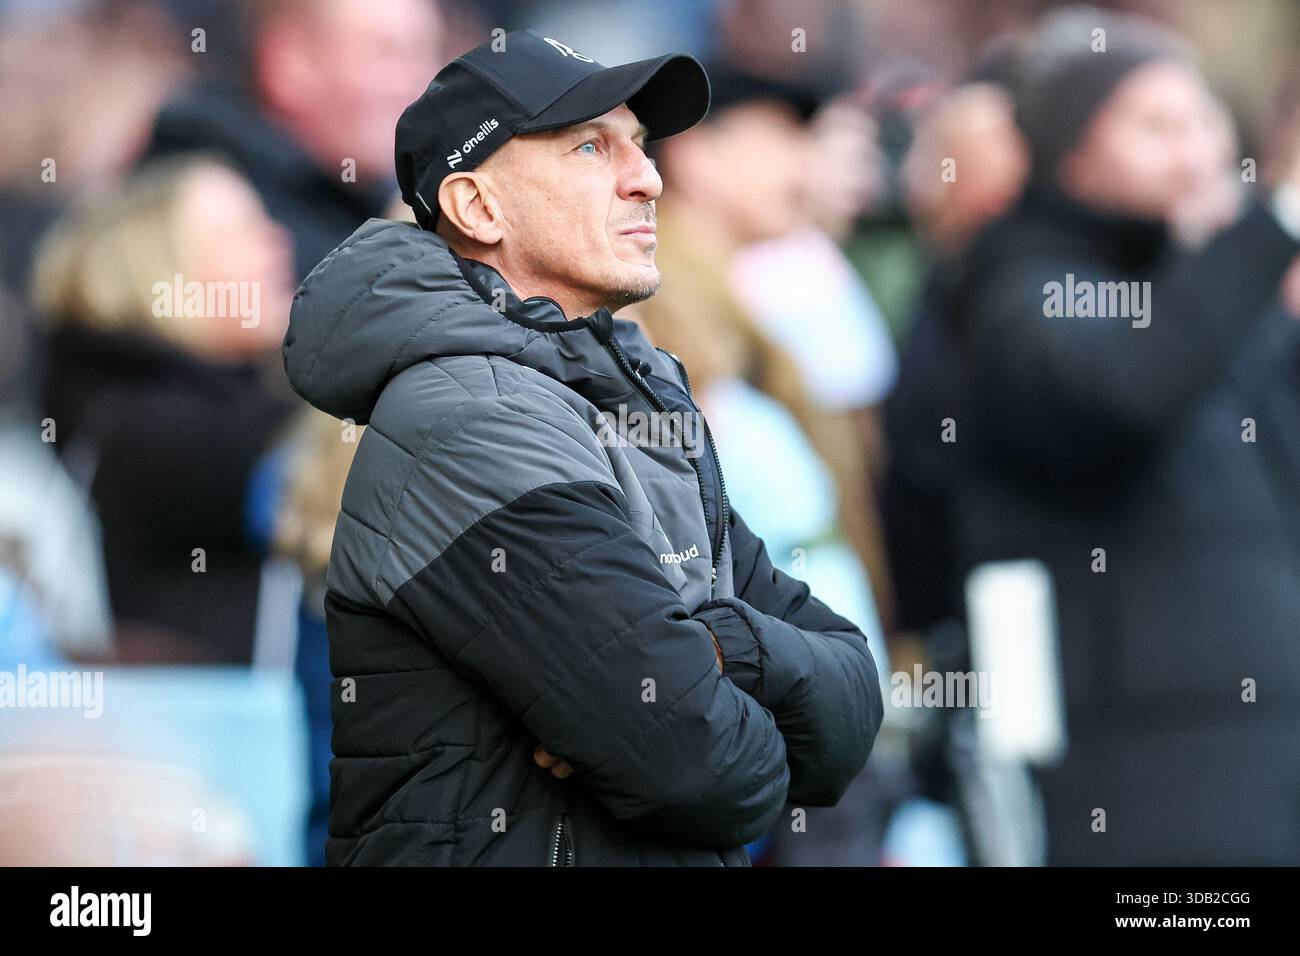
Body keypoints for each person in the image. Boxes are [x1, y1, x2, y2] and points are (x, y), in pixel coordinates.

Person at [283, 28, 884, 866]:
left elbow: (856, 703)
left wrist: (725, 650)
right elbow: (701, 766)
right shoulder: (467, 418)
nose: (648, 178)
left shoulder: (630, 407)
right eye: (592, 147)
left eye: (639, 146)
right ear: (478, 208)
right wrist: (725, 678)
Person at [944, 7, 1300, 864]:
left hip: (1255, 753)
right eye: (1155, 125)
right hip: (1132, 777)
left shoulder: (1207, 285)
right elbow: (1125, 391)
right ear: (1072, 153)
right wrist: (1275, 223)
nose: (1196, 149)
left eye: (1201, 117)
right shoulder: (1018, 287)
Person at [34, 155, 296, 663]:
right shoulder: (144, 427)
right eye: (235, 233)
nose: (276, 240)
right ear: (158, 277)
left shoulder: (128, 405)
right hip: (191, 735)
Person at [143, 0, 443, 280]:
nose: (421, 84)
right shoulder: (193, 201)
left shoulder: (374, 198)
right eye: (388, 54)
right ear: (291, 62)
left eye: (429, 53)